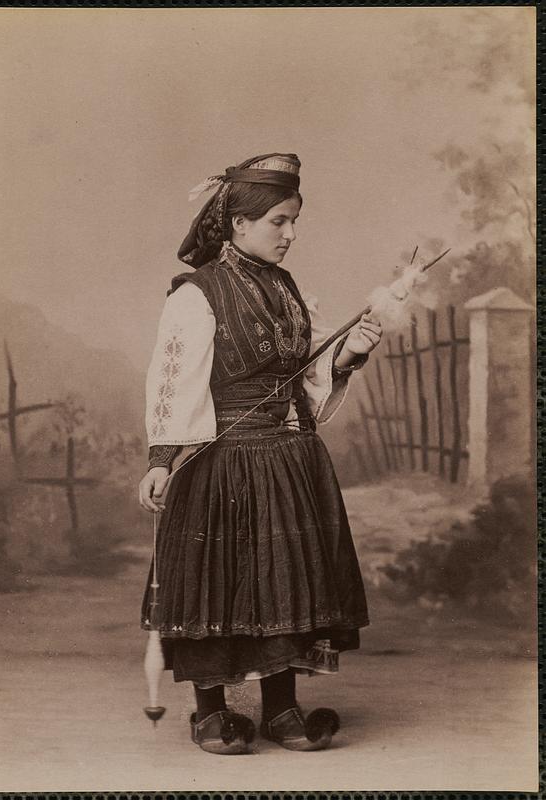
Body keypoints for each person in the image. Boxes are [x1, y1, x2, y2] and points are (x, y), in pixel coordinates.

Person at [138, 153, 383, 755]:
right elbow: (176, 382)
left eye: (295, 220)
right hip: (220, 459)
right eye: (279, 221)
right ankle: (210, 713)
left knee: (284, 583)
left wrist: (347, 352)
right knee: (215, 583)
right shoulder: (196, 295)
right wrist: (163, 459)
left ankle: (282, 710)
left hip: (289, 458)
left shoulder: (287, 288)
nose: (290, 234)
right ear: (238, 224)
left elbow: (306, 371)